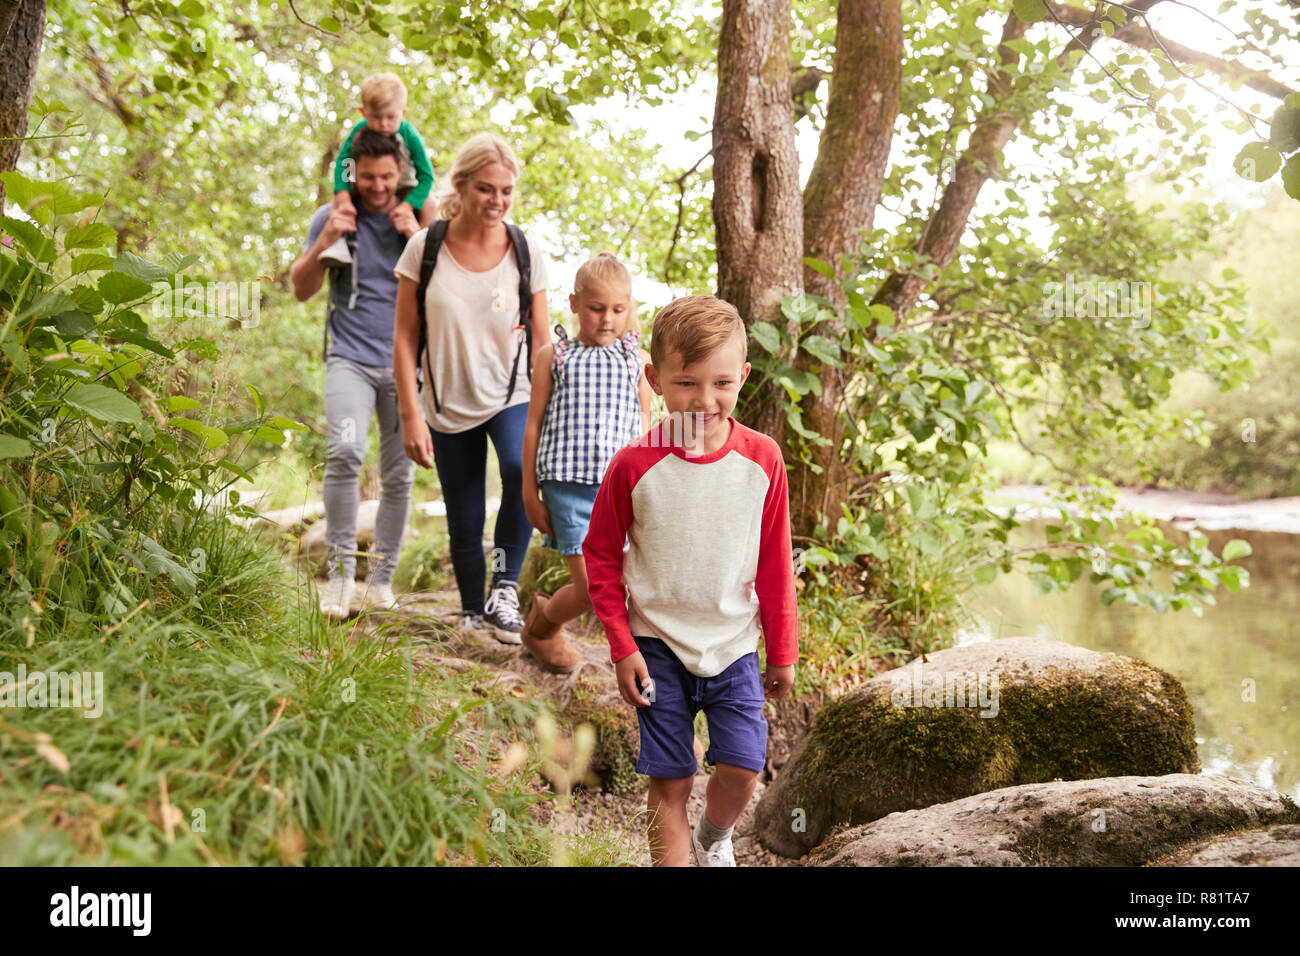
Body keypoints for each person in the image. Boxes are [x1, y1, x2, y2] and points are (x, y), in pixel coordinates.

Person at [582, 295, 799, 867]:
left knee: (744, 766)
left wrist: (783, 649)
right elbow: (600, 555)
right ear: (653, 378)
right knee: (671, 781)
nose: (705, 401)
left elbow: (775, 562)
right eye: (686, 384)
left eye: (722, 383)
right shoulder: (634, 464)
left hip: (732, 644)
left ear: (743, 377)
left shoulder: (763, 460)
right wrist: (622, 646)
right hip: (656, 646)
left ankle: (712, 837)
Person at [392, 133, 551, 643]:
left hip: (513, 391)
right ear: (461, 185)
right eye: (486, 189)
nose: (497, 201)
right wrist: (411, 414)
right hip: (445, 401)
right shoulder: (427, 247)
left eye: (506, 191)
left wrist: (552, 409)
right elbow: (403, 336)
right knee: (464, 511)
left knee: (515, 468)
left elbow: (544, 340)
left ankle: (504, 587)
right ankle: (468, 609)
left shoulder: (524, 250)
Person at [291, 127, 432, 618]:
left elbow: (446, 289)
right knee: (346, 450)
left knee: (399, 475)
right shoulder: (333, 216)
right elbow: (301, 289)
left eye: (387, 177)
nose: (377, 187)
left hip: (404, 367)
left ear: (402, 174)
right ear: (354, 173)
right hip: (349, 360)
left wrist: (415, 235)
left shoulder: (417, 219)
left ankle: (380, 581)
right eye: (368, 177)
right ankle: (339, 578)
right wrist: (325, 240)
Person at [519, 254, 653, 673]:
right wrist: (529, 491)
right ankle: (541, 630)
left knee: (626, 584)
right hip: (568, 490)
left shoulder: (637, 360)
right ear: (575, 303)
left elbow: (646, 427)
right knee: (593, 588)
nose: (608, 319)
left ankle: (544, 618)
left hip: (620, 492)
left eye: (618, 309)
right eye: (596, 308)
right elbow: (533, 424)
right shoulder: (554, 356)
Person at [318, 72, 437, 268]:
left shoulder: (410, 135)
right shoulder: (359, 130)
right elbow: (344, 161)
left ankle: (424, 245)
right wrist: (343, 194)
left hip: (404, 186)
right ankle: (339, 244)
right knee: (339, 202)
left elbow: (426, 176)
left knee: (430, 203)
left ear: (403, 113)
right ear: (364, 113)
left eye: (390, 117)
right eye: (376, 117)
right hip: (365, 183)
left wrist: (408, 205)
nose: (383, 124)